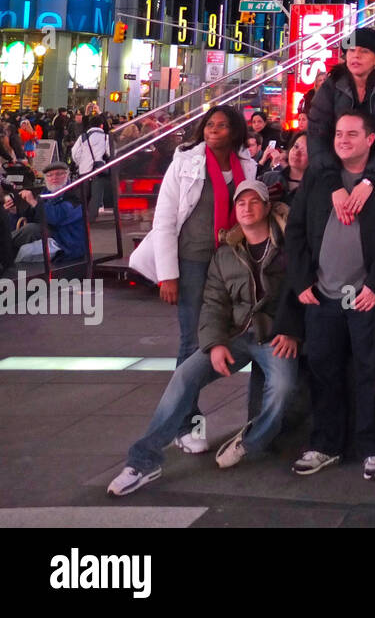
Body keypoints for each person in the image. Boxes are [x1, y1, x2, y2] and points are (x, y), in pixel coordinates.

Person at [108, 181, 303, 495]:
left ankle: (250, 440)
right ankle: (144, 461)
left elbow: (300, 293)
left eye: (255, 202)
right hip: (236, 335)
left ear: (267, 207)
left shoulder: (289, 247)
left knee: (282, 389)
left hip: (275, 337)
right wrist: (214, 344)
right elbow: (213, 303)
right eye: (241, 203)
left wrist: (293, 332)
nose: (247, 208)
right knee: (185, 374)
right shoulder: (225, 253)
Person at [286, 110, 375, 479]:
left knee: (368, 373)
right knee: (323, 372)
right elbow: (295, 231)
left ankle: (371, 447)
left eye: (352, 134)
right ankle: (324, 444)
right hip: (322, 295)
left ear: (370, 139)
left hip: (365, 297)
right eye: (339, 133)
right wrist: (301, 282)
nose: (343, 140)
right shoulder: (319, 177)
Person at [130, 105, 258, 455]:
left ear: (234, 131)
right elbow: (165, 219)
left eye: (222, 125)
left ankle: (185, 417)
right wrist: (167, 275)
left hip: (229, 262)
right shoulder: (185, 162)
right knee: (191, 341)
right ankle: (185, 423)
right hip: (191, 261)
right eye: (209, 125)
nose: (213, 130)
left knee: (227, 336)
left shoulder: (246, 165)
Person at [306, 27, 375, 224]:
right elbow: (316, 134)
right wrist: (334, 185)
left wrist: (370, 179)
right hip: (334, 173)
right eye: (351, 50)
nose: (356, 56)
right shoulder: (332, 87)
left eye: (364, 51)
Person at [6, 162, 87, 266]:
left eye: (59, 174)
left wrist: (34, 202)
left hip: (67, 243)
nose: (54, 177)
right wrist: (14, 212)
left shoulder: (74, 196)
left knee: (24, 252)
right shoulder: (46, 193)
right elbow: (30, 218)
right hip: (52, 234)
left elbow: (55, 218)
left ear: (67, 175)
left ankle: (11, 274)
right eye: (49, 175)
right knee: (26, 232)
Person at [261, 131, 309, 206]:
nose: (296, 153)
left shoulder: (316, 189)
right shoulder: (269, 178)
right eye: (296, 146)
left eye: (306, 151)